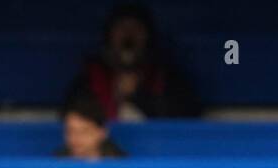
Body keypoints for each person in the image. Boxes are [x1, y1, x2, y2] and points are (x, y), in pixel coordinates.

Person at [65, 3, 199, 120]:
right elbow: (71, 121)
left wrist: (138, 96)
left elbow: (186, 121)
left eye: (136, 28)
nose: (128, 35)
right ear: (109, 35)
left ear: (148, 36)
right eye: (122, 28)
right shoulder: (91, 77)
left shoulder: (166, 76)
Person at [53, 96, 126, 160]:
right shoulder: (55, 163)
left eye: (84, 131)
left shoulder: (121, 164)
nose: (75, 138)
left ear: (103, 132)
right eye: (70, 131)